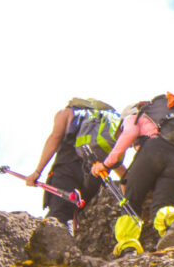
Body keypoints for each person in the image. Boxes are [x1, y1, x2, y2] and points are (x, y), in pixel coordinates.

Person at [92, 96, 174, 256]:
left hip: (153, 150)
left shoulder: (134, 117)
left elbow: (130, 133)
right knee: (162, 204)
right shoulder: (167, 121)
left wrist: (106, 164)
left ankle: (128, 246)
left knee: (131, 202)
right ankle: (173, 223)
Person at [27, 99, 125, 232]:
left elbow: (55, 138)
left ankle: (59, 245)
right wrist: (127, 180)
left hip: (67, 170)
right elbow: (113, 158)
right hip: (95, 175)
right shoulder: (107, 120)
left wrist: (37, 172)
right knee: (81, 216)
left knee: (60, 214)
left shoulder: (67, 112)